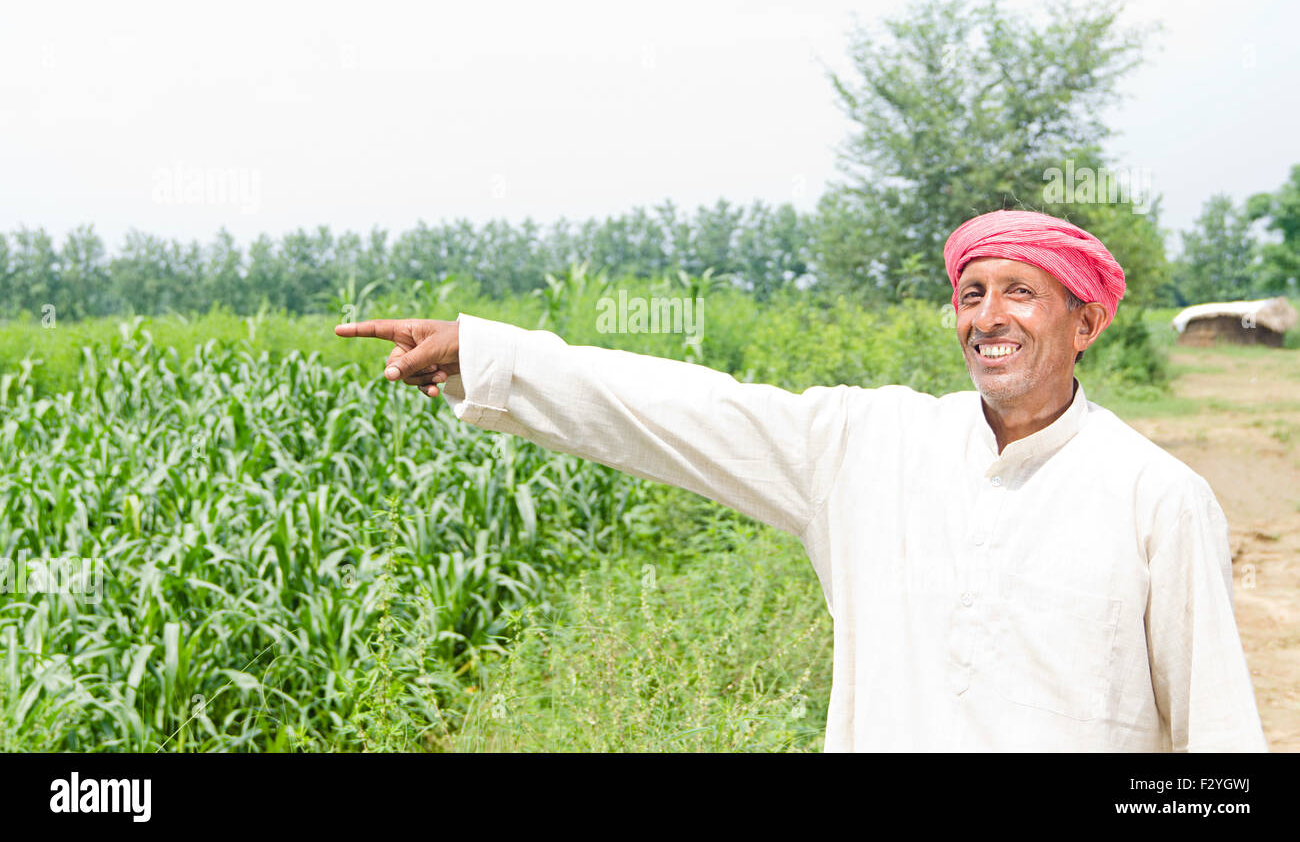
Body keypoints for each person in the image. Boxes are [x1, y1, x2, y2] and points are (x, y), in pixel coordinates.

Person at [335, 209, 1268, 752]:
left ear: (1086, 325)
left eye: (1022, 292)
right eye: (972, 293)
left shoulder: (1157, 496)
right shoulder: (870, 445)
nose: (991, 317)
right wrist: (494, 358)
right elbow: (684, 412)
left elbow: (1217, 738)